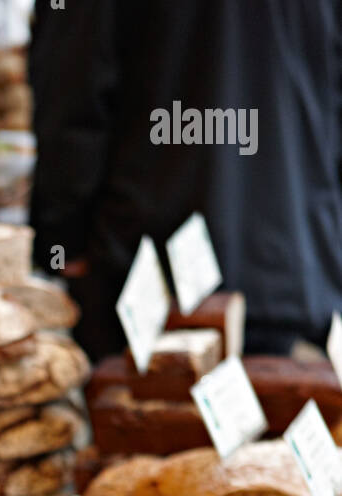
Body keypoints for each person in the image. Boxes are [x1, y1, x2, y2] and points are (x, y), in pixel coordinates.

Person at [29, 0, 342, 362]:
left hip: (144, 273)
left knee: (133, 408)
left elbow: (71, 87)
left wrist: (63, 239)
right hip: (292, 268)